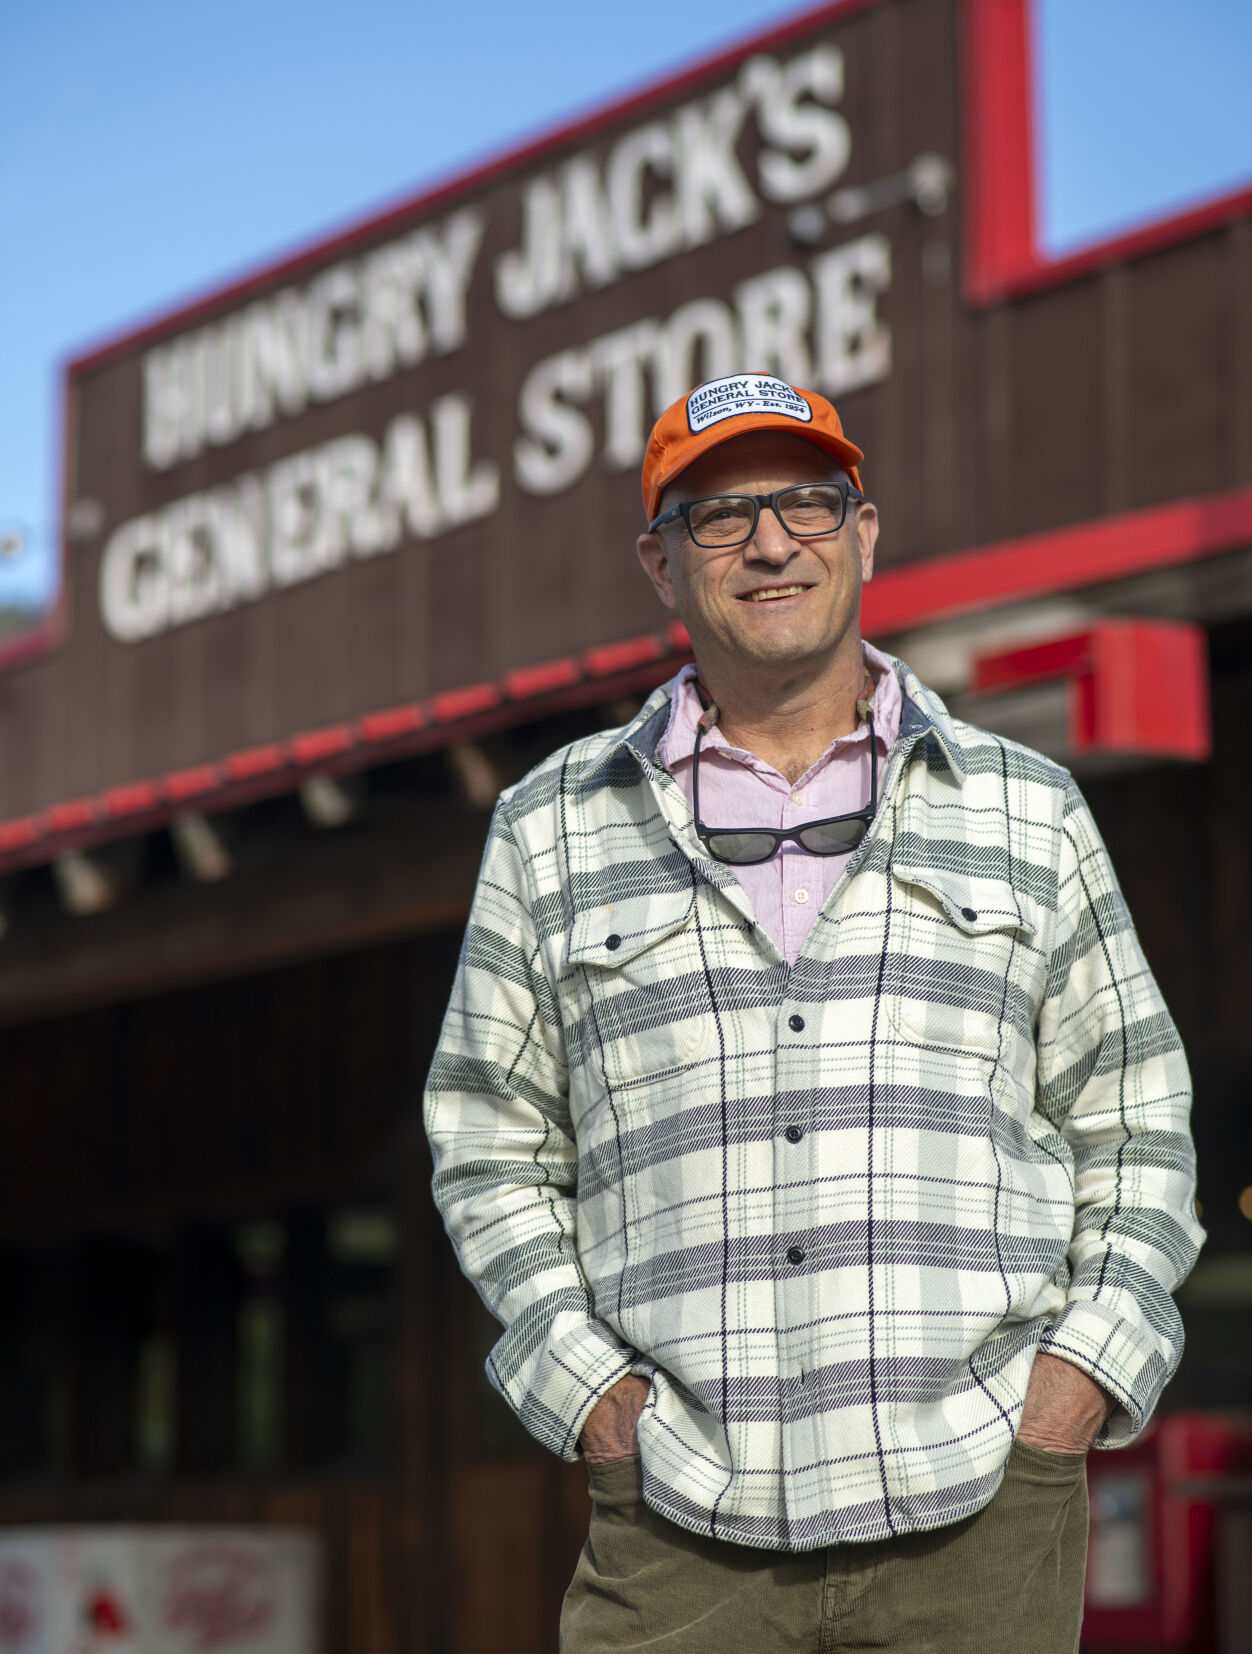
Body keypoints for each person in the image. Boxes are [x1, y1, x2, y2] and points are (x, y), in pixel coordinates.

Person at [424, 374, 1202, 1653]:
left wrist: (1076, 1383)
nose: (772, 542)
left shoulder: (1026, 808)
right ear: (659, 565)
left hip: (981, 1515)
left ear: (864, 532)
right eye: (721, 518)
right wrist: (595, 1396)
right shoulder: (552, 828)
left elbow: (1135, 1117)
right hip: (676, 1531)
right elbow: (491, 1140)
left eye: (806, 503)